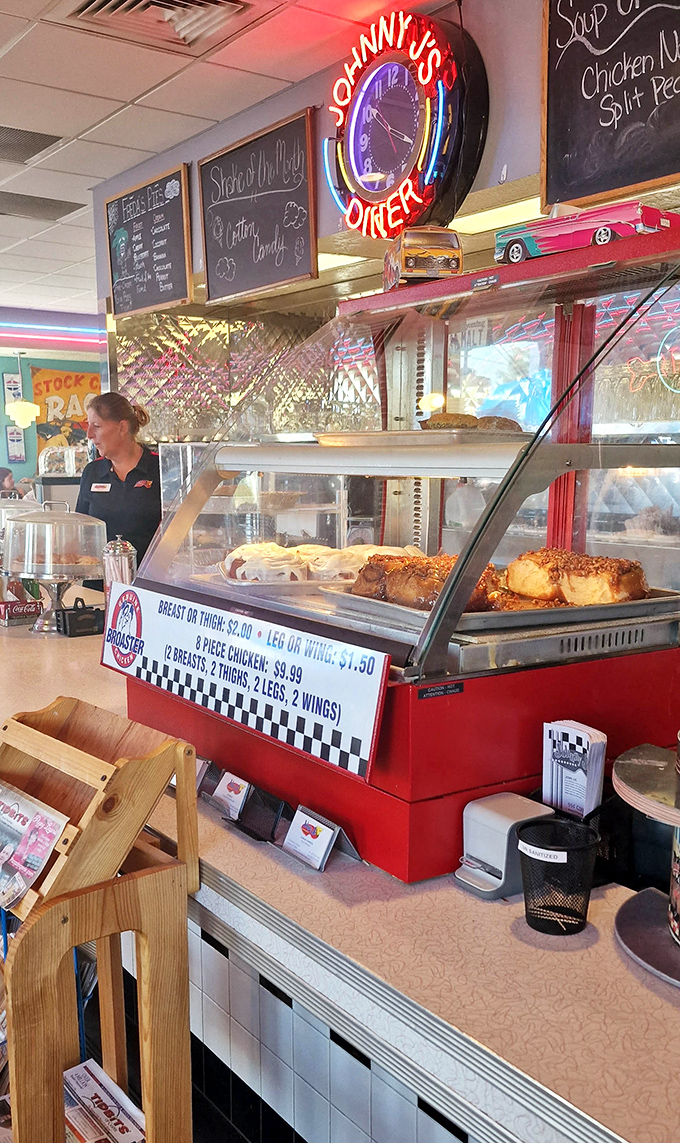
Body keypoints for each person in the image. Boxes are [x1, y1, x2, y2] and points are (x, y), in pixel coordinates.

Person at [76, 393, 160, 566]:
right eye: (89, 426)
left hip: (147, 585)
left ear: (122, 427)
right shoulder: (92, 472)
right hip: (98, 585)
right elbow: (80, 531)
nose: (89, 434)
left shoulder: (160, 468)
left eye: (97, 426)